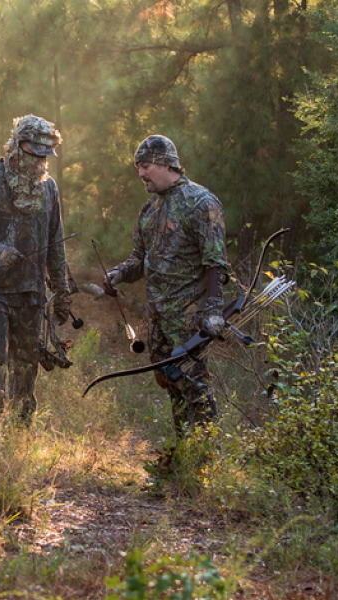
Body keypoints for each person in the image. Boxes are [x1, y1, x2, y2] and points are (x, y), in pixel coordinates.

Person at [102, 135, 228, 437]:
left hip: (190, 321)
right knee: (171, 384)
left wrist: (212, 312)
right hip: (158, 319)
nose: (140, 174)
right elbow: (140, 258)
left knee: (195, 388)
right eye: (138, 168)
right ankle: (184, 456)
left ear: (165, 163)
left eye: (144, 166)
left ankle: (205, 464)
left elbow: (215, 263)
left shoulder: (201, 202)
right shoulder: (150, 210)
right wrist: (118, 274)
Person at [0, 114, 73, 422]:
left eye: (44, 155)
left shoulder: (49, 188)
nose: (39, 160)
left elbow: (55, 241)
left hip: (31, 291)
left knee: (26, 362)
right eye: (33, 152)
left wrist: (61, 288)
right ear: (17, 145)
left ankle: (22, 428)